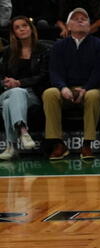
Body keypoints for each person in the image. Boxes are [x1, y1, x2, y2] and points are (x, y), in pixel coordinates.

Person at [41, 8, 100, 161]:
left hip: (93, 89)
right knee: (49, 93)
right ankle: (58, 143)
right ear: (68, 26)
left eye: (84, 18)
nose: (80, 20)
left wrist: (86, 88)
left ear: (89, 25)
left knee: (93, 95)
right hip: (67, 90)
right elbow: (54, 72)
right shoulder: (58, 46)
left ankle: (87, 143)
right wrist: (63, 87)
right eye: (75, 18)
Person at [0, 17, 48, 160]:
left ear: (31, 28)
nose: (22, 29)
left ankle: (11, 146)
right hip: (7, 92)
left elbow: (44, 75)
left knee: (11, 101)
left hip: (32, 94)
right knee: (15, 93)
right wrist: (6, 83)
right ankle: (23, 131)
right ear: (14, 33)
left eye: (24, 25)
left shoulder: (42, 50)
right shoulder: (8, 51)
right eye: (17, 27)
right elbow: (1, 76)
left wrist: (19, 82)